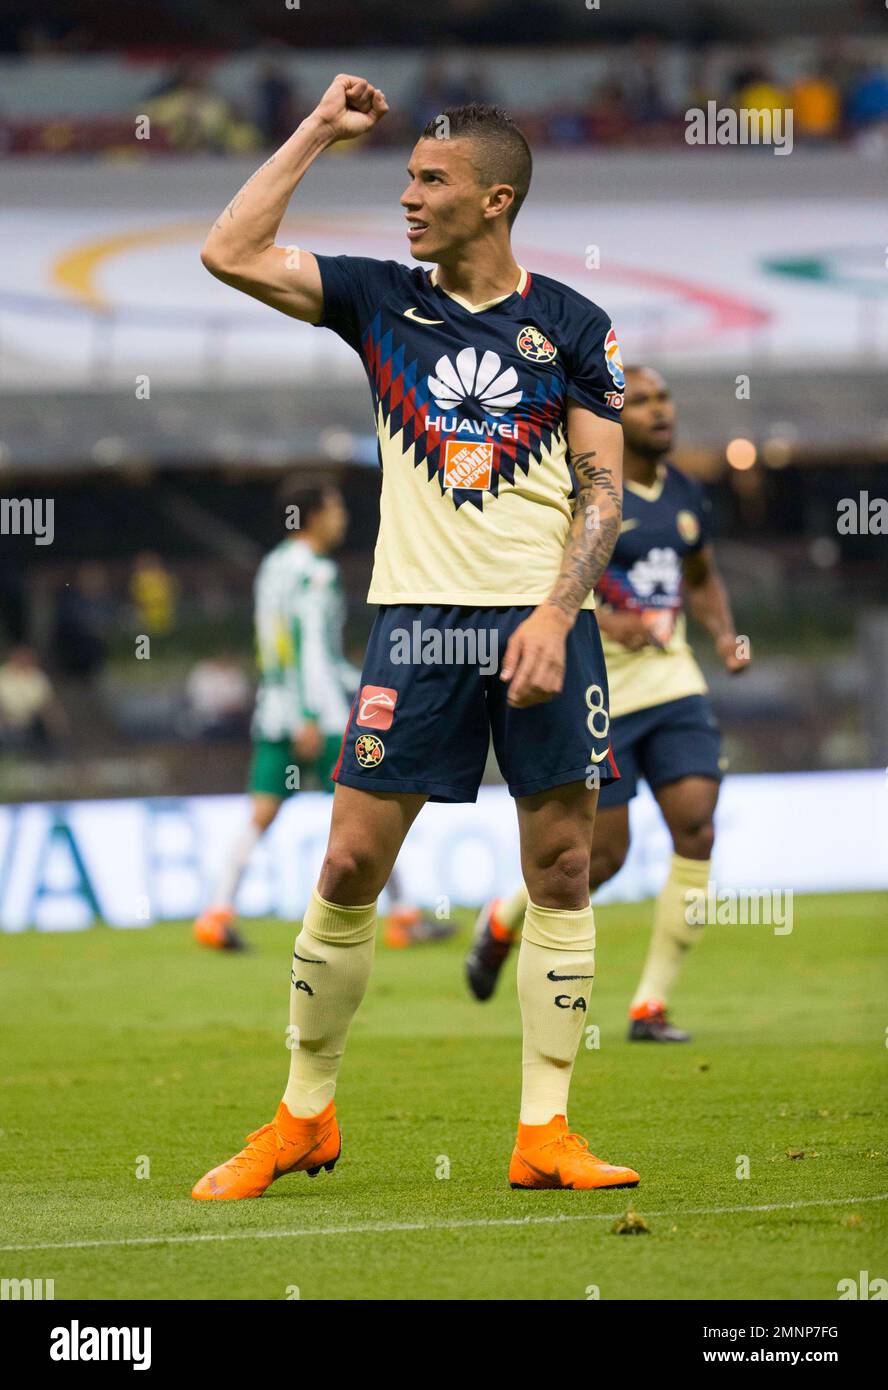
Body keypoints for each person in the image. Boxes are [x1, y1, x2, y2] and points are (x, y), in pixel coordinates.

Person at [192, 73, 637, 1198]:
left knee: (565, 867)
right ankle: (302, 1115)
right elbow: (230, 251)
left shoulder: (576, 328)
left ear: (495, 200)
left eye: (430, 180)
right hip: (419, 625)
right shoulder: (381, 299)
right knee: (347, 862)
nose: (407, 195)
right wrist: (314, 132)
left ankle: (545, 1131)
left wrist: (556, 612)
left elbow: (602, 493)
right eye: (403, 177)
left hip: (545, 626)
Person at [466, 366, 751, 1040]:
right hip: (599, 689)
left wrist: (722, 634)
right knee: (600, 859)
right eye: (642, 401)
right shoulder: (585, 489)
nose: (659, 411)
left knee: (697, 825)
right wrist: (599, 619)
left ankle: (649, 1006)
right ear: (614, 420)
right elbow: (549, 571)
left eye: (664, 398)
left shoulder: (685, 493)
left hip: (672, 683)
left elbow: (701, 574)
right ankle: (502, 918)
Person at [192, 479, 440, 951]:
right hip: (319, 716)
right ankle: (405, 916)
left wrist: (290, 703)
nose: (342, 517)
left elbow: (276, 645)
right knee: (372, 807)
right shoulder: (317, 573)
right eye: (336, 507)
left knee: (262, 810)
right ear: (314, 515)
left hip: (274, 709)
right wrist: (311, 711)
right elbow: (309, 646)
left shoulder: (272, 566)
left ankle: (216, 912)